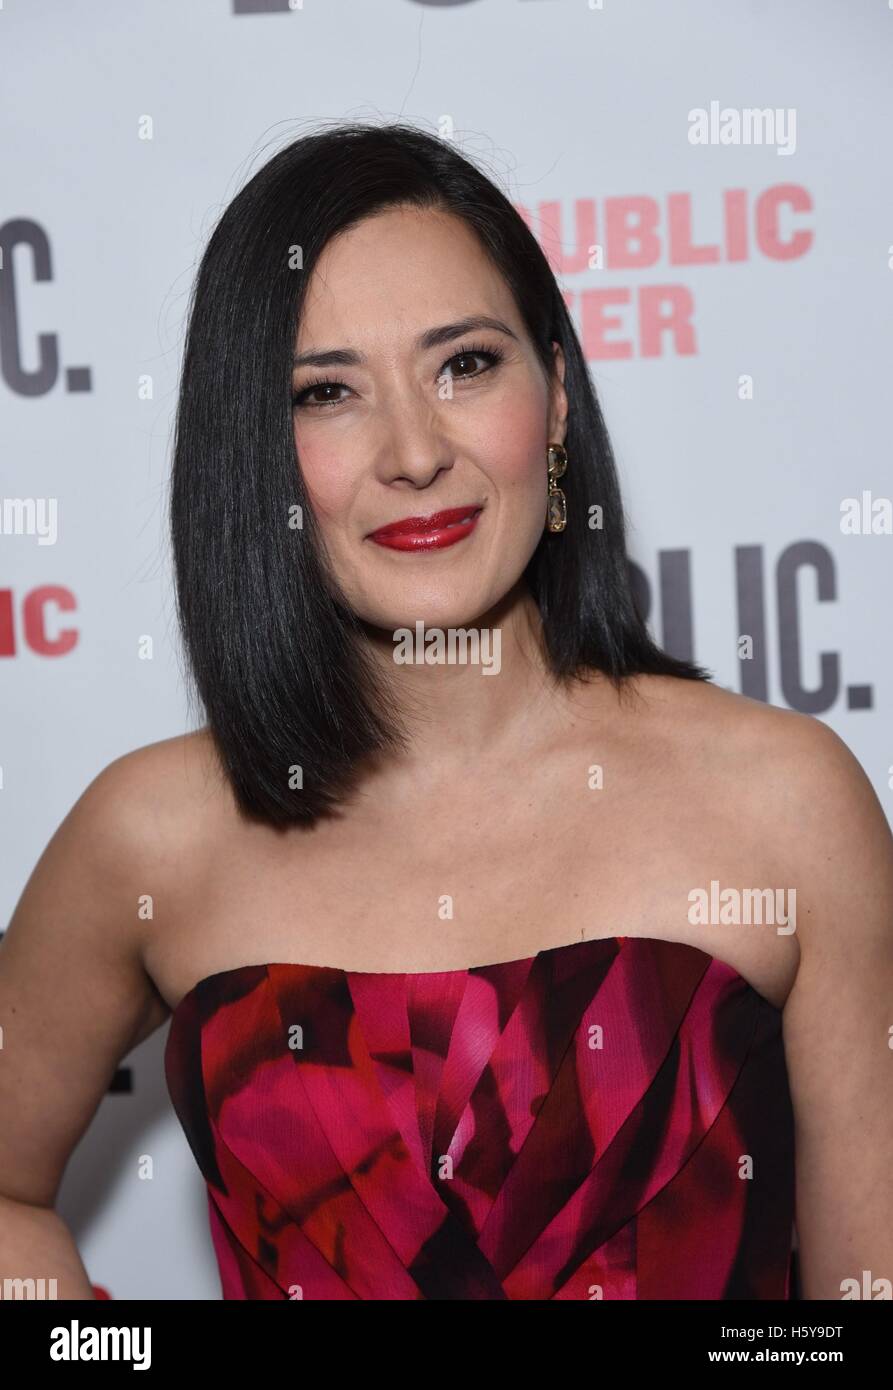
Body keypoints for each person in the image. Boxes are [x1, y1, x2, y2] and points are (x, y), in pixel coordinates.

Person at [1, 121, 891, 1302]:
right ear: (257, 457)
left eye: (464, 365)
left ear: (558, 396)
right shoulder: (152, 834)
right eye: (327, 393)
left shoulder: (785, 804)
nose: (413, 452)